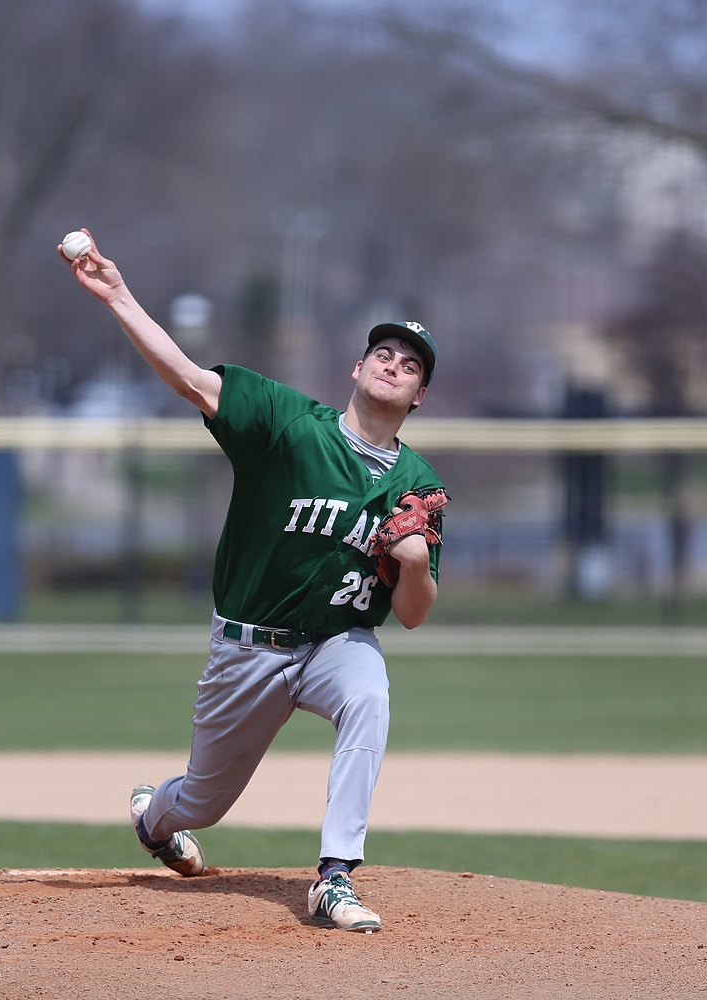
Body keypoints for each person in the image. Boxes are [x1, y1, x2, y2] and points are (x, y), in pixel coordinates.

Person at [62, 230, 446, 932]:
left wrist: (416, 564)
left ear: (419, 395)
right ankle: (154, 819)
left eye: (410, 364)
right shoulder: (286, 423)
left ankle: (335, 877)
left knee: (370, 697)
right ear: (358, 367)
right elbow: (188, 377)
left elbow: (414, 614)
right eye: (384, 354)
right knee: (201, 803)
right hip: (249, 647)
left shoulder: (418, 485)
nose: (394, 365)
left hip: (335, 643)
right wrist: (118, 295)